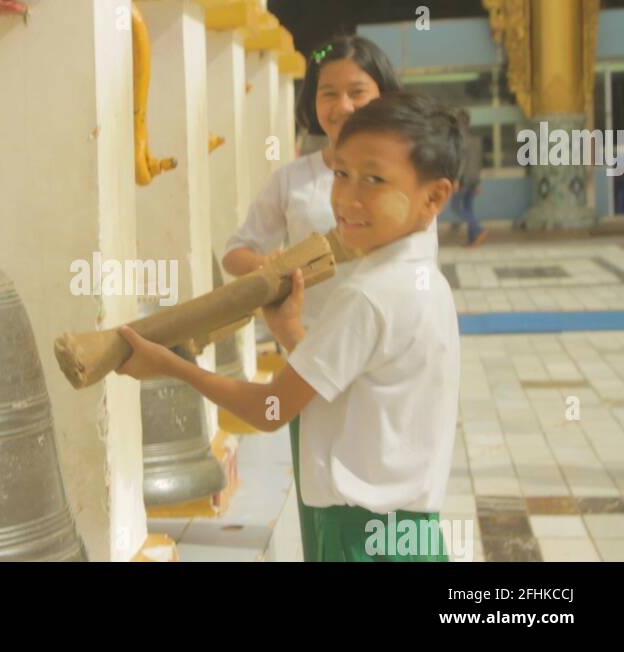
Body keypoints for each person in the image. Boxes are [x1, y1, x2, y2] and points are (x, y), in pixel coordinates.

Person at [117, 93, 462, 561]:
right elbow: (345, 387)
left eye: (375, 180)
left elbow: (271, 409)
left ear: (435, 196)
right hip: (409, 536)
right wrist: (289, 329)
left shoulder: (369, 295)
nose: (348, 197)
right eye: (341, 174)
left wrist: (172, 367)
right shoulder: (423, 282)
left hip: (361, 539)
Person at [221, 35, 402, 562]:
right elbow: (237, 251)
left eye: (357, 92)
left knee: (380, 504)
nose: (342, 106)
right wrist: (278, 273)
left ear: (383, 95)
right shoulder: (294, 180)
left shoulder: (402, 173)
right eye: (328, 93)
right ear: (313, 102)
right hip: (307, 362)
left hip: (379, 368)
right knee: (320, 502)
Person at [450, 109, 487, 247]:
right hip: (473, 180)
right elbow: (479, 162)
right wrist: (478, 182)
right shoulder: (475, 139)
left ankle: (478, 229)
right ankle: (473, 240)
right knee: (468, 208)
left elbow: (461, 161)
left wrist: (457, 179)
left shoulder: (460, 140)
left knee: (455, 207)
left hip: (463, 180)